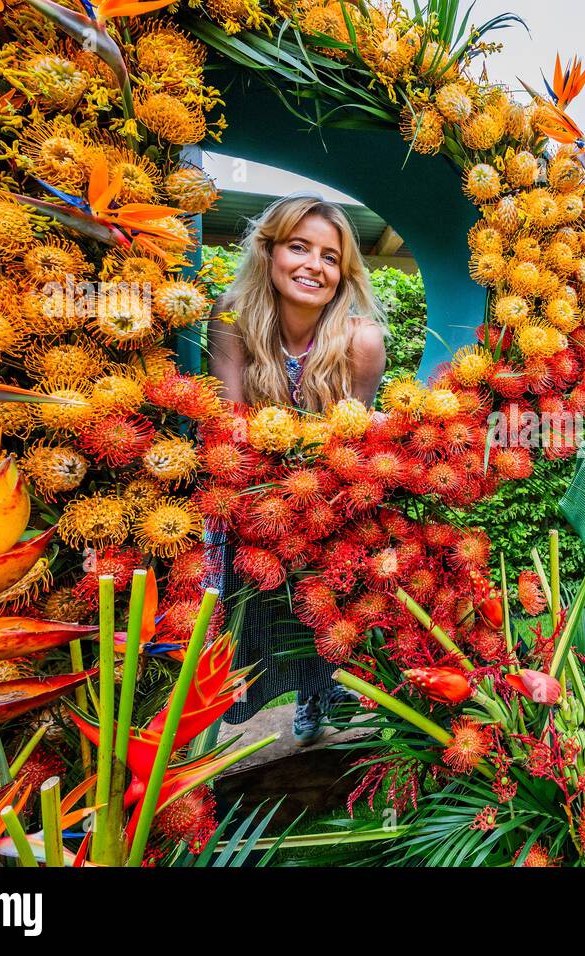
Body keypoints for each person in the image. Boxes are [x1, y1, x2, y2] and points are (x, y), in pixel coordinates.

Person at [207, 192, 387, 745]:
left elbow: (351, 445)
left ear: (344, 272)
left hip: (326, 495)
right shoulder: (232, 317)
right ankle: (228, 697)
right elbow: (225, 424)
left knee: (331, 584)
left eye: (330, 257)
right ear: (269, 253)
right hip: (244, 486)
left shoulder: (361, 339)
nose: (314, 265)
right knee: (241, 595)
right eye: (298, 247)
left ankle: (319, 688)